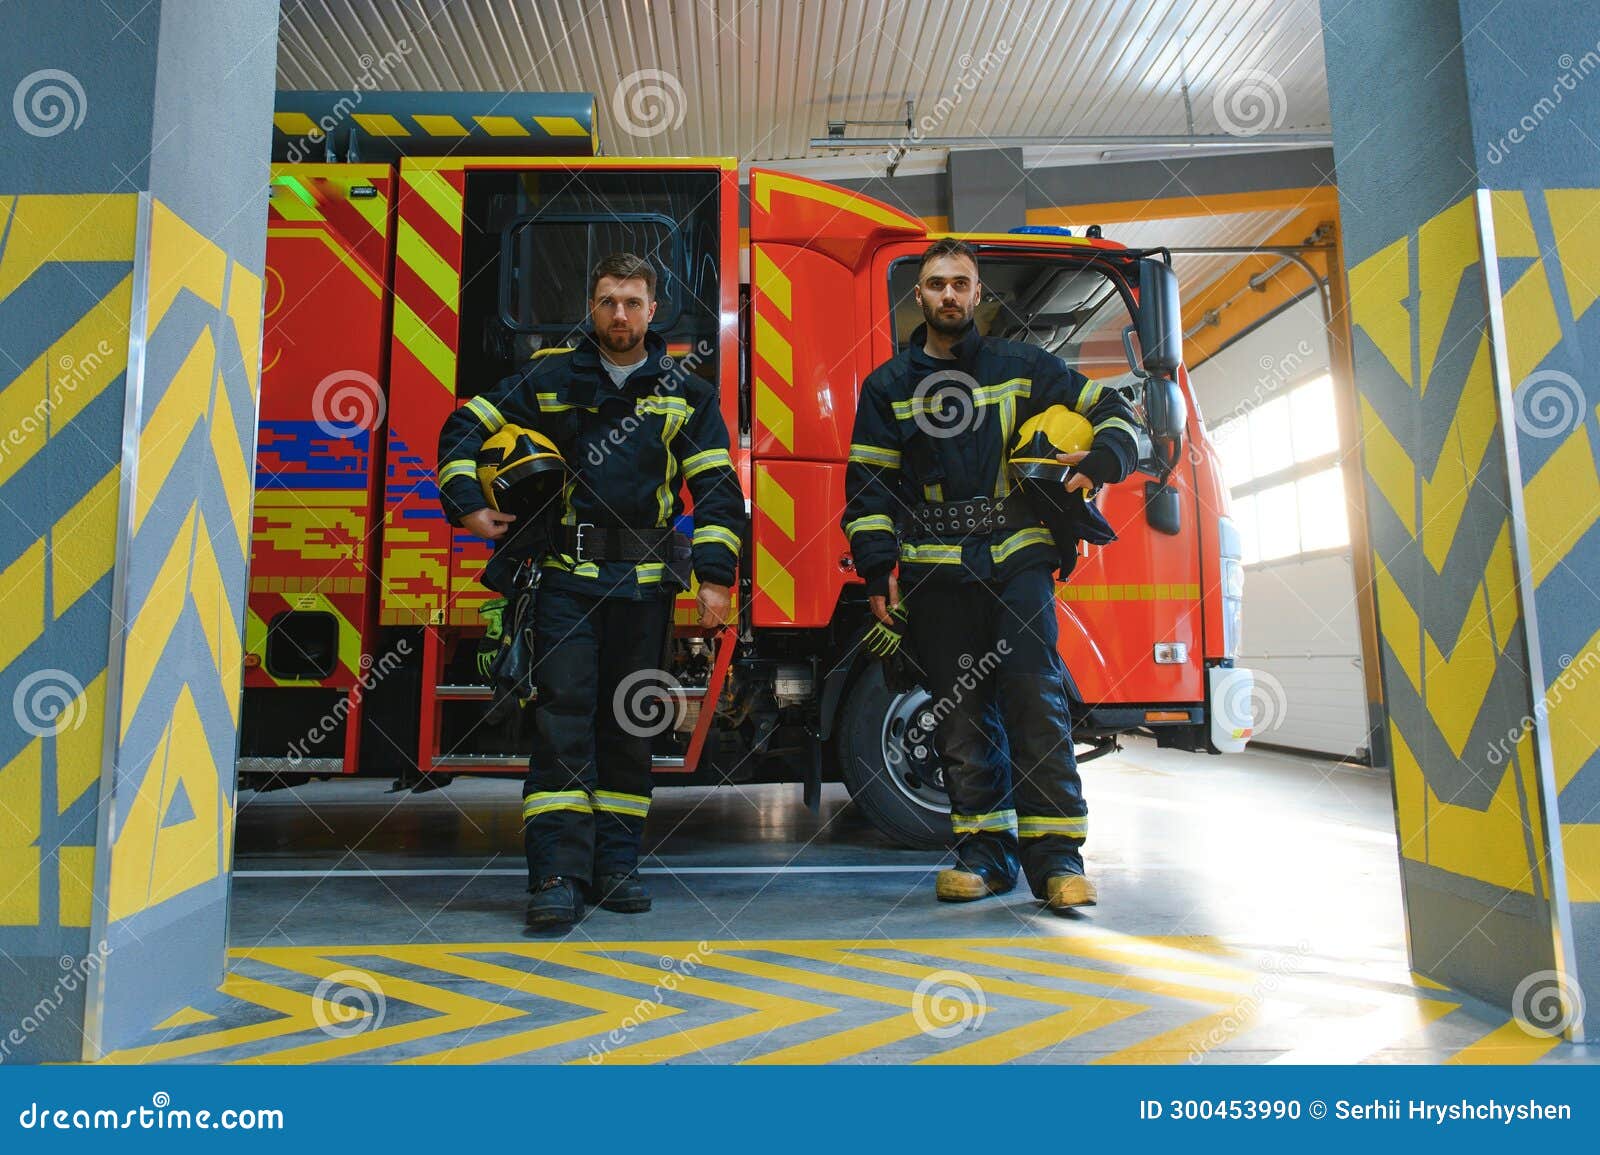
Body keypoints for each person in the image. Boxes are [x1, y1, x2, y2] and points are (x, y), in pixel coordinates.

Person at [437, 252, 743, 929]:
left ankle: (616, 865)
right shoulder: (551, 377)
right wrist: (467, 504)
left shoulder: (685, 389)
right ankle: (556, 873)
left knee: (631, 726)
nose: (620, 315)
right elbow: (463, 429)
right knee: (562, 724)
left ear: (653, 308)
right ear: (593, 306)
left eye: (633, 302)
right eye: (608, 301)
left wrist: (716, 577)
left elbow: (718, 489)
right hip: (566, 584)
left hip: (645, 588)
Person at [840, 238, 1139, 910]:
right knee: (960, 720)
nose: (949, 294)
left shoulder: (1025, 366)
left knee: (1037, 704)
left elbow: (1118, 413)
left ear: (978, 295)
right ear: (918, 295)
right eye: (936, 283)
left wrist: (1101, 461)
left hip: (1019, 564)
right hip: (935, 575)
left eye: (961, 283)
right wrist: (877, 571)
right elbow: (869, 491)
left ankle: (1058, 860)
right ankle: (984, 855)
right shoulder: (888, 387)